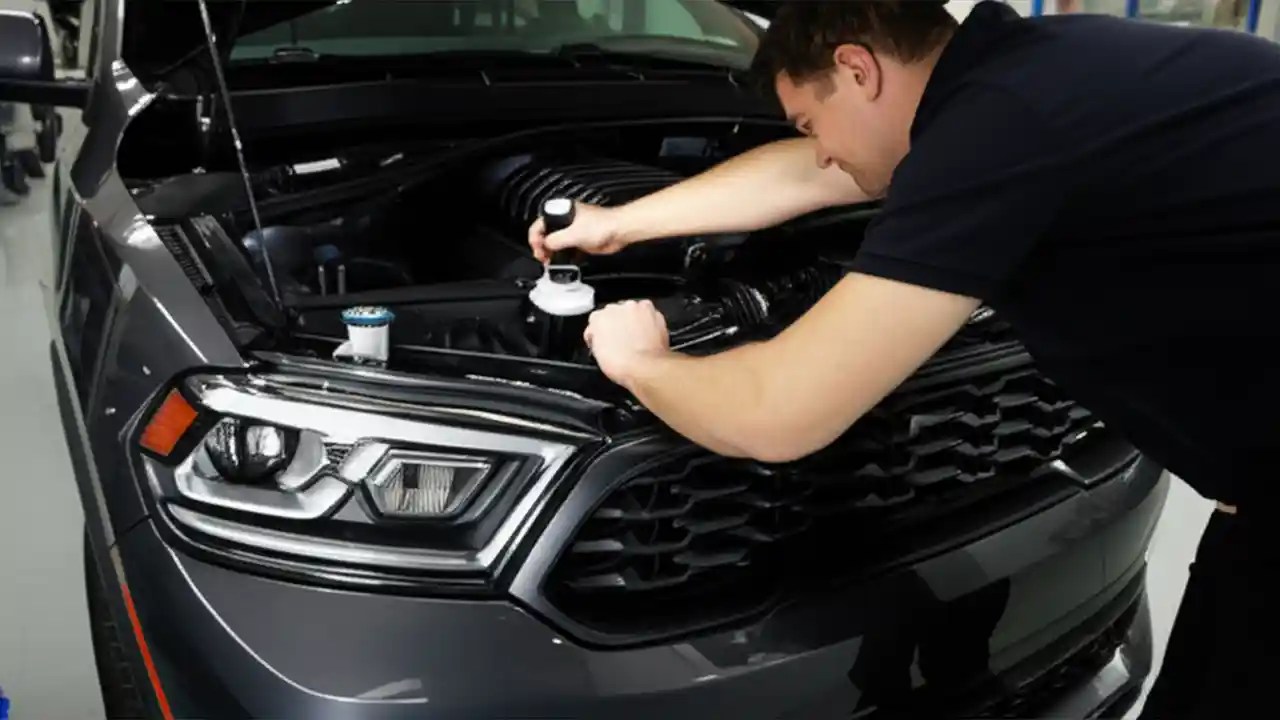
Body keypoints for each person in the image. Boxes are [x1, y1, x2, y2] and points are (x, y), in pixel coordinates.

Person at [527, 2, 1280, 717]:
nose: (819, 145)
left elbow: (780, 413)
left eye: (808, 119)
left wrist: (642, 362)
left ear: (858, 69)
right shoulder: (1038, 76)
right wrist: (620, 225)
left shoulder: (1003, 126)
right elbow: (812, 173)